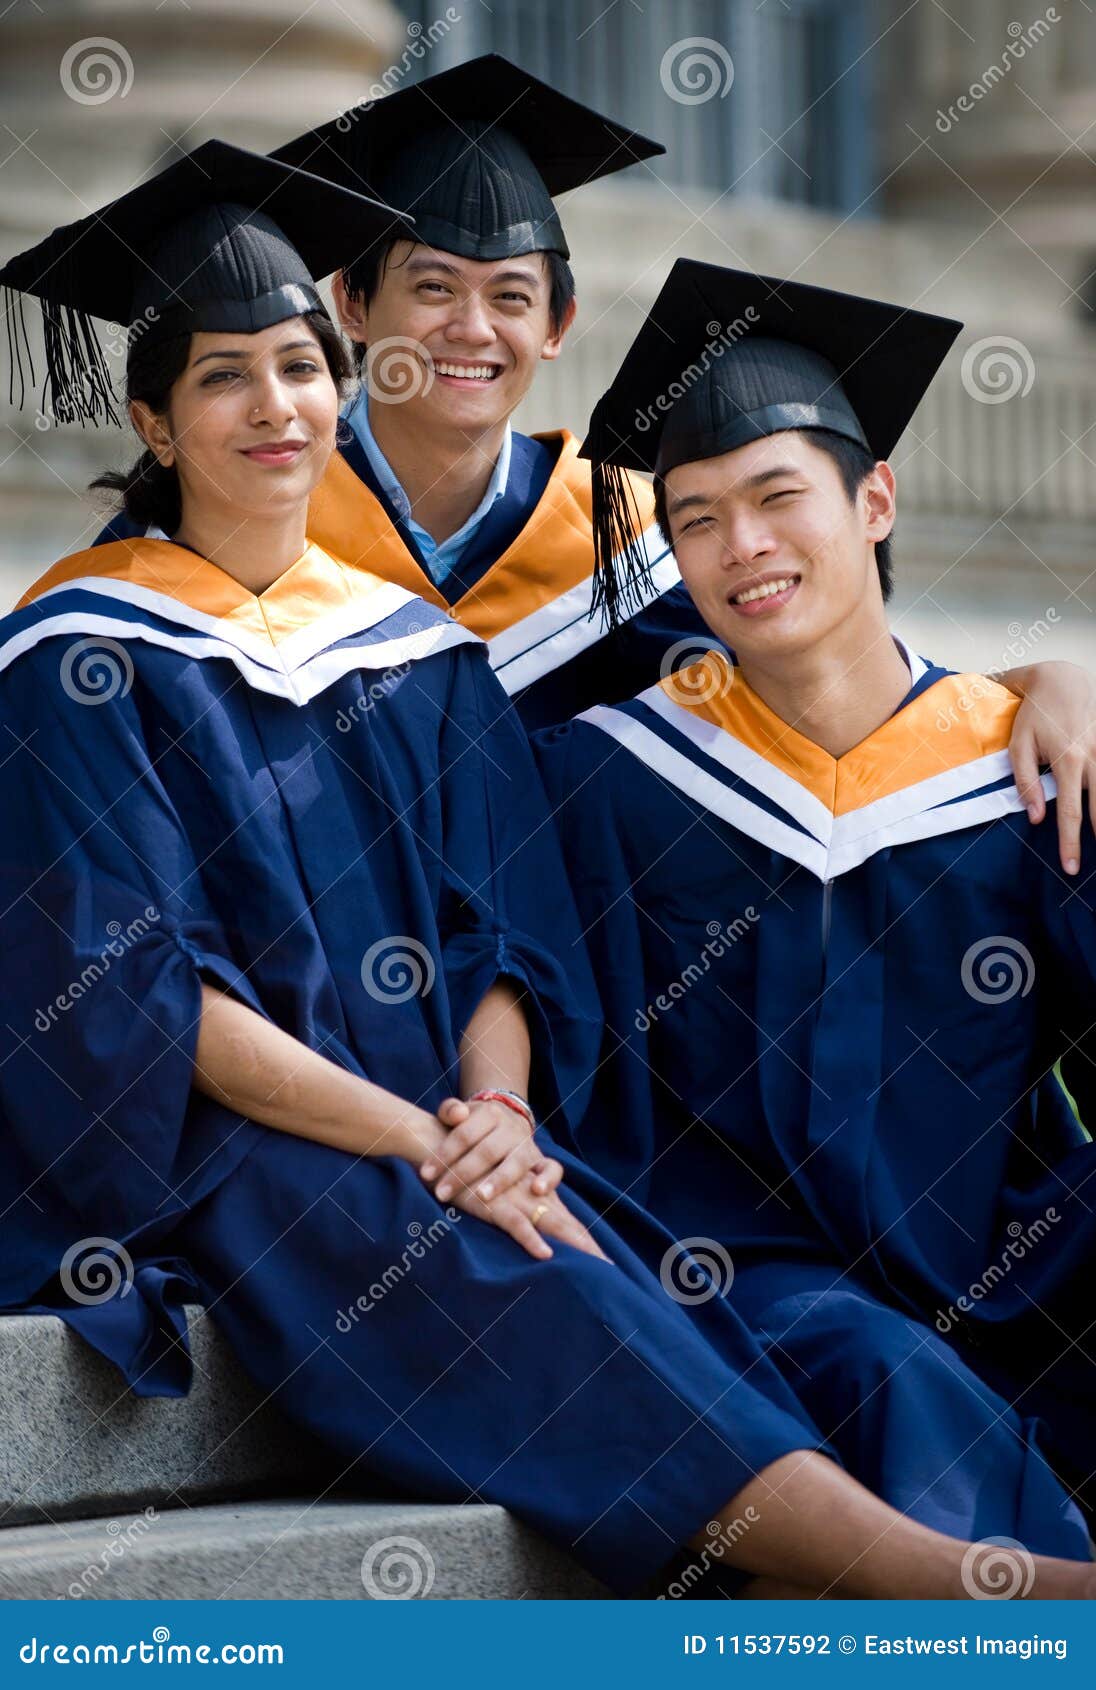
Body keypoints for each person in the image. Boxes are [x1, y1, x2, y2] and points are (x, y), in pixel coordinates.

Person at [13, 146, 1089, 1603]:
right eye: (222, 377)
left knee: (633, 1251)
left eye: (297, 368)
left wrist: (498, 1111)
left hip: (455, 1113)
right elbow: (125, 989)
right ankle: (923, 1570)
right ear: (151, 415)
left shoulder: (418, 654)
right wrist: (422, 1133)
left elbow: (508, 933)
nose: (275, 406)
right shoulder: (82, 654)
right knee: (522, 1261)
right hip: (224, 1134)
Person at [89, 58, 1096, 868]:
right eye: (432, 287)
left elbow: (824, 685)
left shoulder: (634, 546)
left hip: (565, 1041)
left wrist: (1042, 678)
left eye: (512, 297)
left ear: (561, 323)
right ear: (352, 307)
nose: (470, 330)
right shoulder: (223, 525)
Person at [533, 260, 1096, 1591]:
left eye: (779, 496)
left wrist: (1056, 680)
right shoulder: (613, 778)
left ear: (875, 498)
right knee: (878, 1368)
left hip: (1004, 1272)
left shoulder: (1015, 764)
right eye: (699, 518)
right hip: (756, 1287)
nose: (744, 548)